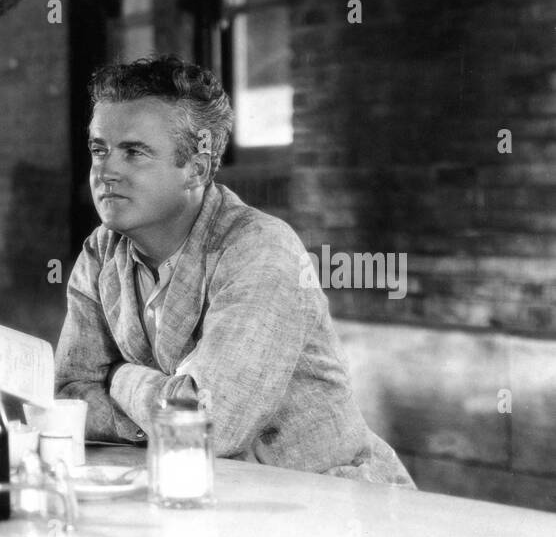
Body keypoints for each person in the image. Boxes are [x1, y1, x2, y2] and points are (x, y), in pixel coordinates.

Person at [54, 54, 413, 486]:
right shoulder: (100, 252)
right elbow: (67, 397)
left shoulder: (259, 248)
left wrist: (120, 377)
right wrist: (155, 416)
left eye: (134, 153)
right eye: (99, 149)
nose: (106, 170)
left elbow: (208, 425)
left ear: (196, 169)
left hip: (331, 506)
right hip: (206, 497)